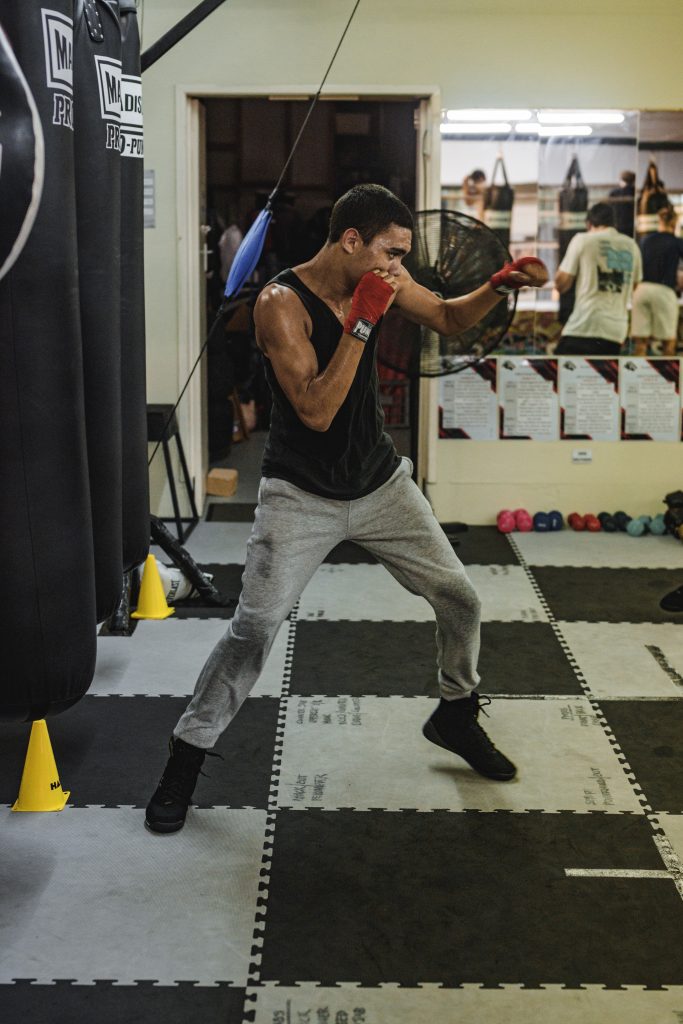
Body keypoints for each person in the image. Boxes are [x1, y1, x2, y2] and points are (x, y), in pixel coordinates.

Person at [144, 183, 548, 834]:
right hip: (299, 495)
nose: (397, 269)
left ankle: (455, 713)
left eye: (402, 257)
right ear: (350, 240)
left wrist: (499, 284)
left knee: (460, 598)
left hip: (380, 484)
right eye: (390, 253)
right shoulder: (281, 302)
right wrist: (361, 320)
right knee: (252, 629)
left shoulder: (382, 279)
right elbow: (315, 409)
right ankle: (185, 755)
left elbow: (446, 318)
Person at [554, 202, 642, 356]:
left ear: (589, 224)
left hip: (585, 325)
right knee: (601, 378)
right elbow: (634, 286)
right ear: (613, 223)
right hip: (616, 331)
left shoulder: (583, 240)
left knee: (559, 376)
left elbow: (562, 284)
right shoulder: (632, 246)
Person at [631, 205, 683, 357]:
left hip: (642, 290)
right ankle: (668, 378)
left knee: (640, 343)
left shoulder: (645, 240)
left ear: (659, 221)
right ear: (674, 223)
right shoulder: (677, 242)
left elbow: (636, 267)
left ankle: (635, 379)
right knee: (668, 343)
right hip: (664, 291)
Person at [608, 170, 636, 238]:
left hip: (617, 226)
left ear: (621, 180)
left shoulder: (614, 193)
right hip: (632, 227)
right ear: (633, 181)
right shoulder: (634, 192)